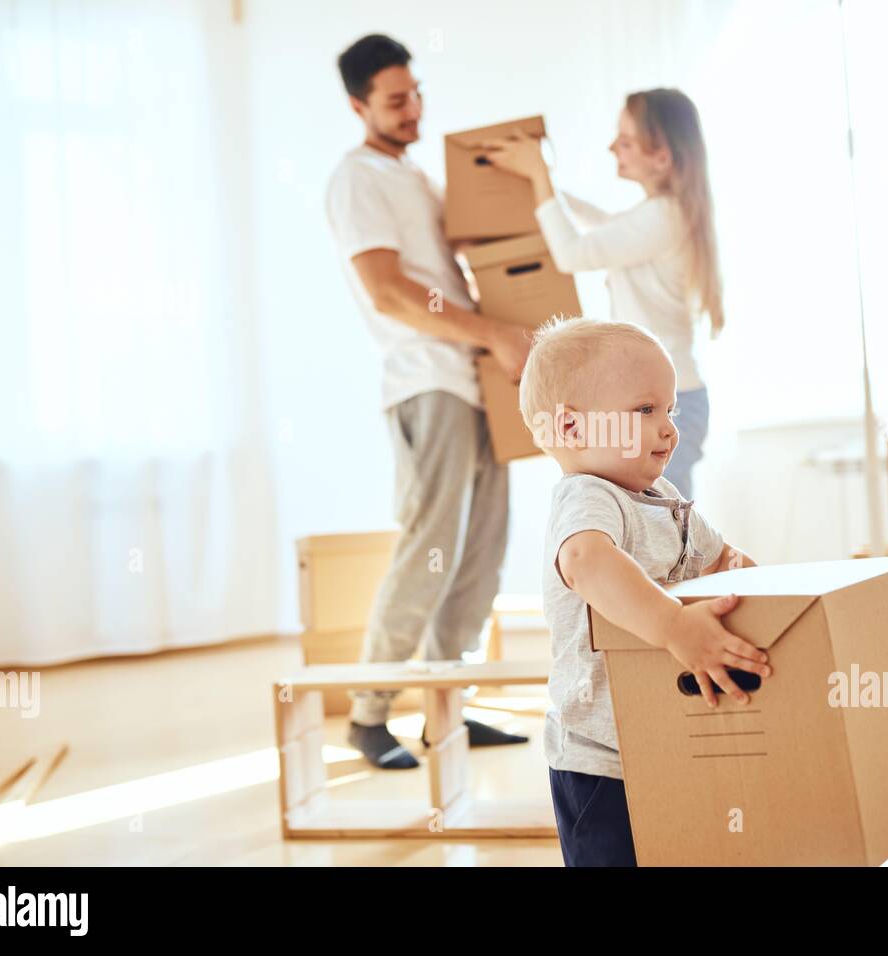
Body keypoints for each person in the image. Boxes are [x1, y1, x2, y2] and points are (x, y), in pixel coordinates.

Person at [325, 34, 532, 769]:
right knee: (431, 550)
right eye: (394, 100)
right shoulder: (358, 179)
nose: (412, 109)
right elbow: (387, 291)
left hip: (478, 379)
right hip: (427, 381)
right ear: (358, 106)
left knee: (481, 554)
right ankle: (369, 713)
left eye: (415, 92)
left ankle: (451, 708)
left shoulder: (415, 176)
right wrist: (492, 331)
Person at [517, 316, 769, 866]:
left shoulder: (662, 497)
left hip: (664, 737)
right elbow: (587, 561)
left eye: (670, 410)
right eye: (644, 410)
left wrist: (739, 576)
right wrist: (676, 625)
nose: (668, 428)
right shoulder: (588, 498)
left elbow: (721, 560)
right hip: (601, 762)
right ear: (573, 429)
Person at [483, 90, 724, 499]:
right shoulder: (661, 214)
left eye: (626, 141)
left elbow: (573, 253)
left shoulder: (661, 217)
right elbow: (603, 225)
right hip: (670, 397)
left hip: (669, 400)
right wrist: (541, 182)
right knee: (657, 529)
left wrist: (540, 178)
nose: (613, 147)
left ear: (661, 156)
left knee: (663, 533)